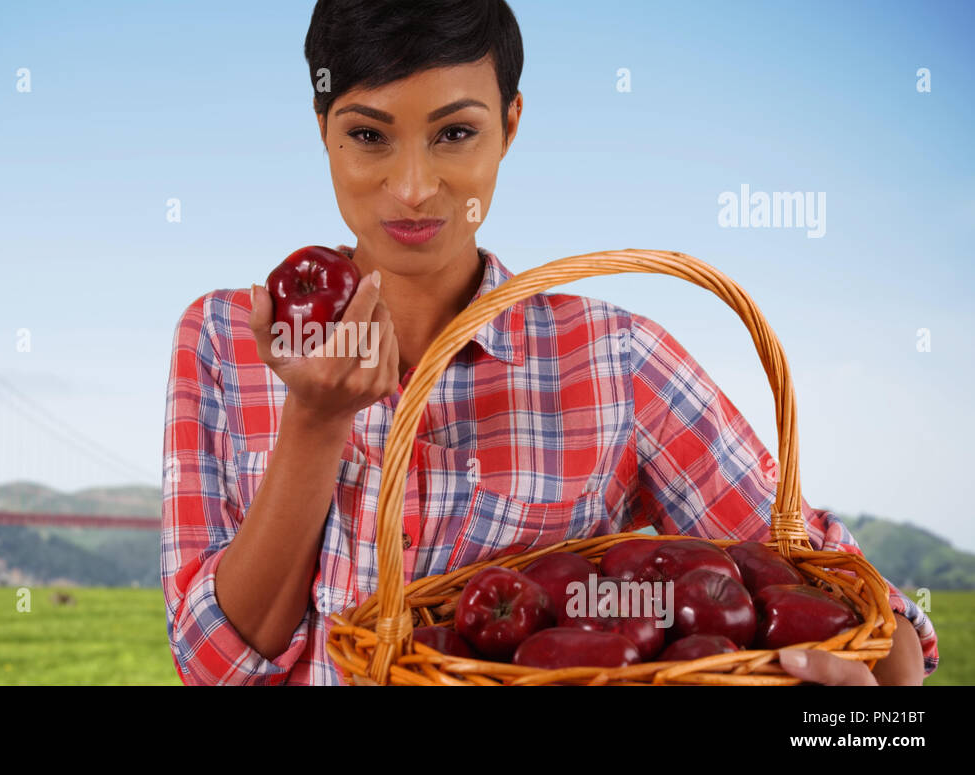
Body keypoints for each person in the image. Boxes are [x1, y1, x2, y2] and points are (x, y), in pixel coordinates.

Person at [160, 0, 938, 686]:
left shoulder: (616, 358)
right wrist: (316, 421)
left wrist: (877, 715)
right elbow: (215, 662)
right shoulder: (226, 338)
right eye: (368, 135)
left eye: (455, 132)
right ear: (323, 131)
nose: (412, 186)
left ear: (511, 127)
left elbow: (835, 584)